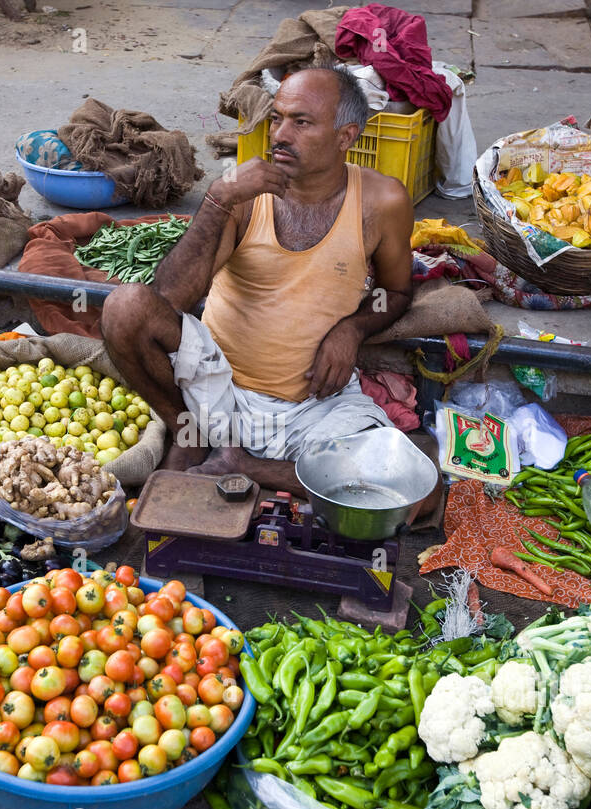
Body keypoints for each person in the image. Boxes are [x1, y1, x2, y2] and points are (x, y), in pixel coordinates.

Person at [100, 66, 419, 499]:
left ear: (346, 137)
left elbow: (396, 292)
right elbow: (170, 298)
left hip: (313, 406)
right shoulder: (243, 194)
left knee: (409, 487)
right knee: (125, 306)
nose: (279, 135)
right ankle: (188, 434)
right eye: (277, 118)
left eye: (300, 122)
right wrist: (217, 200)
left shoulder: (383, 201)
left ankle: (242, 464)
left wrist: (352, 329)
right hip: (215, 387)